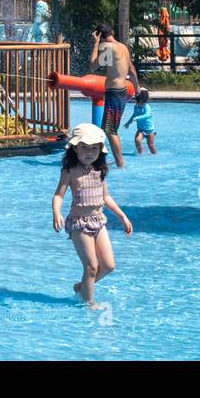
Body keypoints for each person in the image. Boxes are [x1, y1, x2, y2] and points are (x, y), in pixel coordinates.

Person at [52, 123, 133, 308]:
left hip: (99, 222)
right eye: (84, 148)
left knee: (109, 266)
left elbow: (105, 197)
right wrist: (56, 212)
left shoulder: (100, 170)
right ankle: (88, 304)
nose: (89, 152)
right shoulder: (70, 171)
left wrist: (122, 216)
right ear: (75, 148)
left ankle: (82, 287)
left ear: (100, 150)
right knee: (91, 266)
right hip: (79, 224)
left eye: (94, 148)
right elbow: (58, 195)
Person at [90, 24, 141, 168]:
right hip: (122, 90)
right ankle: (112, 161)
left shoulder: (107, 46)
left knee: (110, 129)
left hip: (114, 93)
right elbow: (131, 69)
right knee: (109, 128)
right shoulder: (122, 47)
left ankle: (120, 164)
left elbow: (93, 67)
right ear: (112, 32)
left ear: (100, 35)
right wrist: (137, 88)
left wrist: (96, 43)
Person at [125, 87, 156, 155]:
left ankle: (155, 155)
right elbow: (134, 115)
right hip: (140, 130)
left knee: (150, 145)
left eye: (142, 103)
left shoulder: (147, 107)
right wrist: (128, 123)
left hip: (150, 130)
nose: (140, 104)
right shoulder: (136, 107)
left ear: (145, 101)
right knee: (137, 140)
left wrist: (137, 118)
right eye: (139, 102)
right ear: (136, 100)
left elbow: (147, 115)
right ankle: (141, 154)